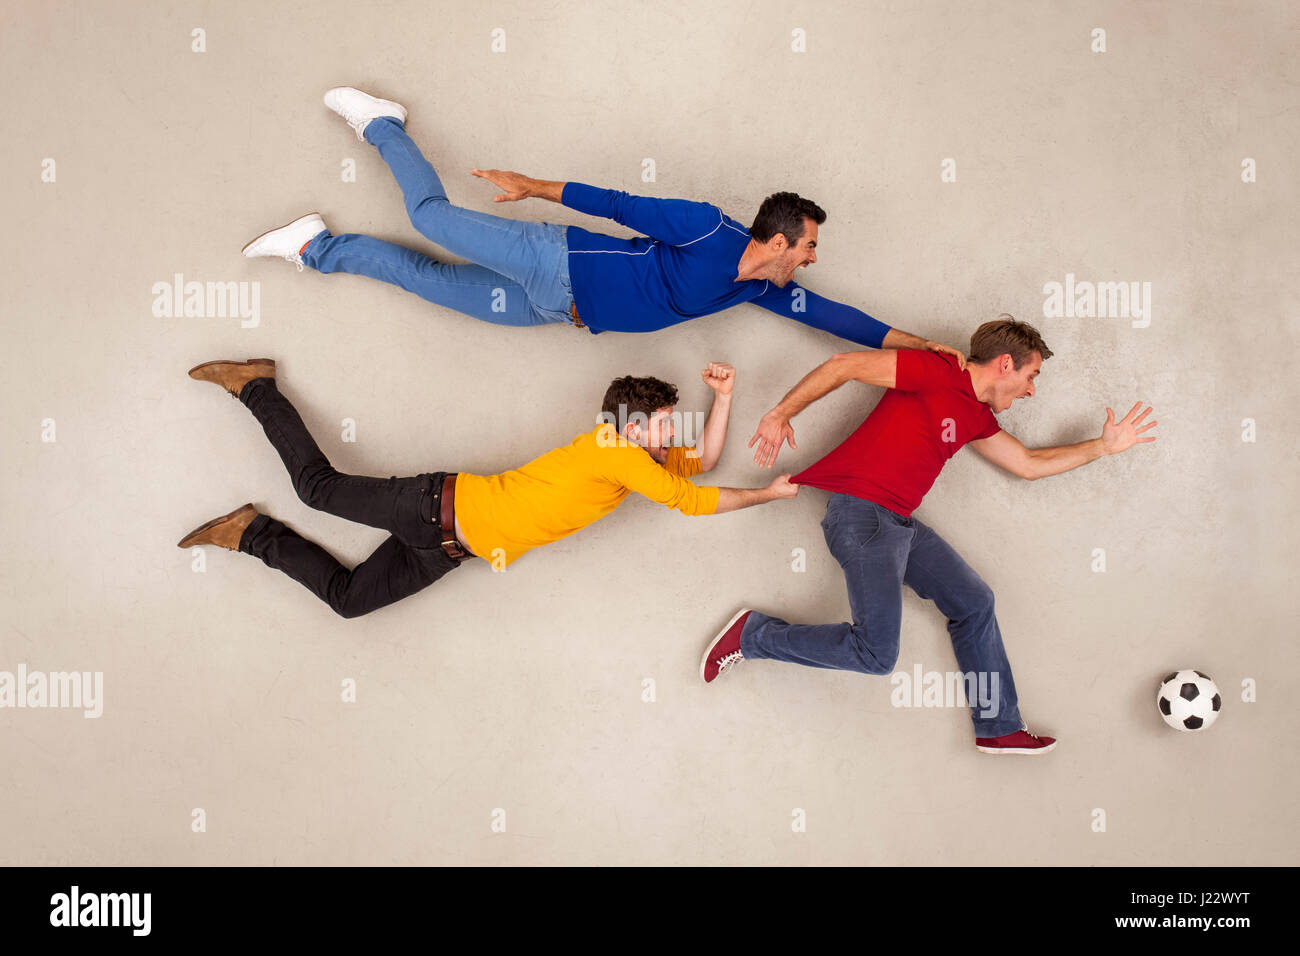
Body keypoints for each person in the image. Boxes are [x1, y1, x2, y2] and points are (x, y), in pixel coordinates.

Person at [700, 315, 1158, 755]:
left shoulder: (976, 416)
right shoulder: (936, 370)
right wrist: (781, 413)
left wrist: (1102, 447)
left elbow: (1028, 465)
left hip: (896, 523)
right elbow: (845, 366)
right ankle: (753, 635)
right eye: (1032, 375)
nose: (1032, 389)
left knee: (974, 602)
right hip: (862, 517)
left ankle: (997, 728)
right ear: (1005, 364)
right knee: (876, 654)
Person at [241, 87, 965, 360]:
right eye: (807, 246)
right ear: (777, 240)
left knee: (424, 279)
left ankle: (318, 247)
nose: (810, 259)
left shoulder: (758, 289)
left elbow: (841, 319)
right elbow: (618, 204)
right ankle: (383, 127)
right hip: (552, 259)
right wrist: (533, 185)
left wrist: (924, 345)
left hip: (553, 310)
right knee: (431, 220)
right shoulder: (707, 229)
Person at [177, 358, 795, 618]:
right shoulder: (614, 450)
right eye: (665, 425)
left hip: (447, 550)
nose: (672, 435)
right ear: (633, 426)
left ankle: (250, 533)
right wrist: (767, 496)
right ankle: (256, 384)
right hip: (433, 507)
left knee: (348, 601)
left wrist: (727, 398)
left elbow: (706, 464)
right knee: (318, 488)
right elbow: (693, 502)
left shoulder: (636, 461)